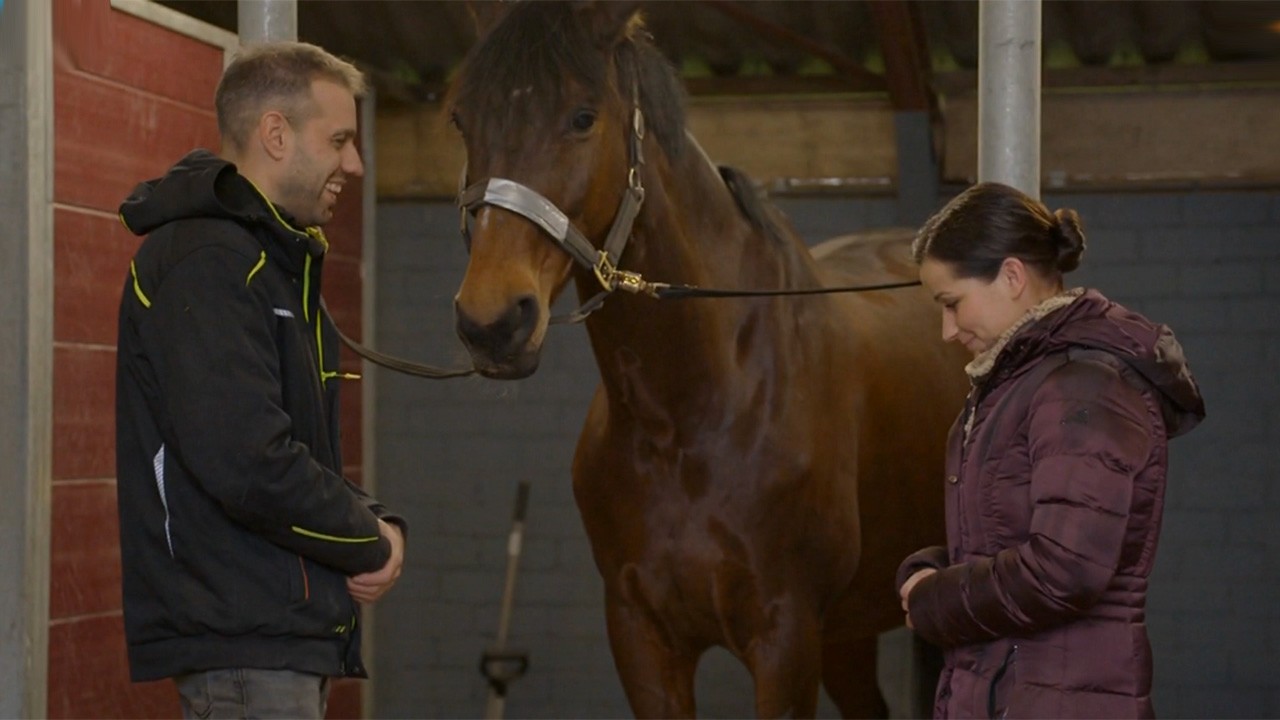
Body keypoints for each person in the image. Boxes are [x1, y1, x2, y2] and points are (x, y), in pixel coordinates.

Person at [115, 42, 403, 719]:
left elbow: (292, 449)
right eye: (339, 141)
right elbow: (247, 463)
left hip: (273, 646)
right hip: (247, 648)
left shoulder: (268, 264)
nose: (354, 165)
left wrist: (378, 520)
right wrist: (368, 540)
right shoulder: (209, 263)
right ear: (276, 134)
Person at [895, 182, 1205, 719]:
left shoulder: (1084, 387)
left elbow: (1065, 571)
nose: (947, 331)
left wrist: (935, 599)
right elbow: (1015, 541)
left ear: (1012, 276)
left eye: (952, 304)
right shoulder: (1023, 383)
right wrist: (934, 569)